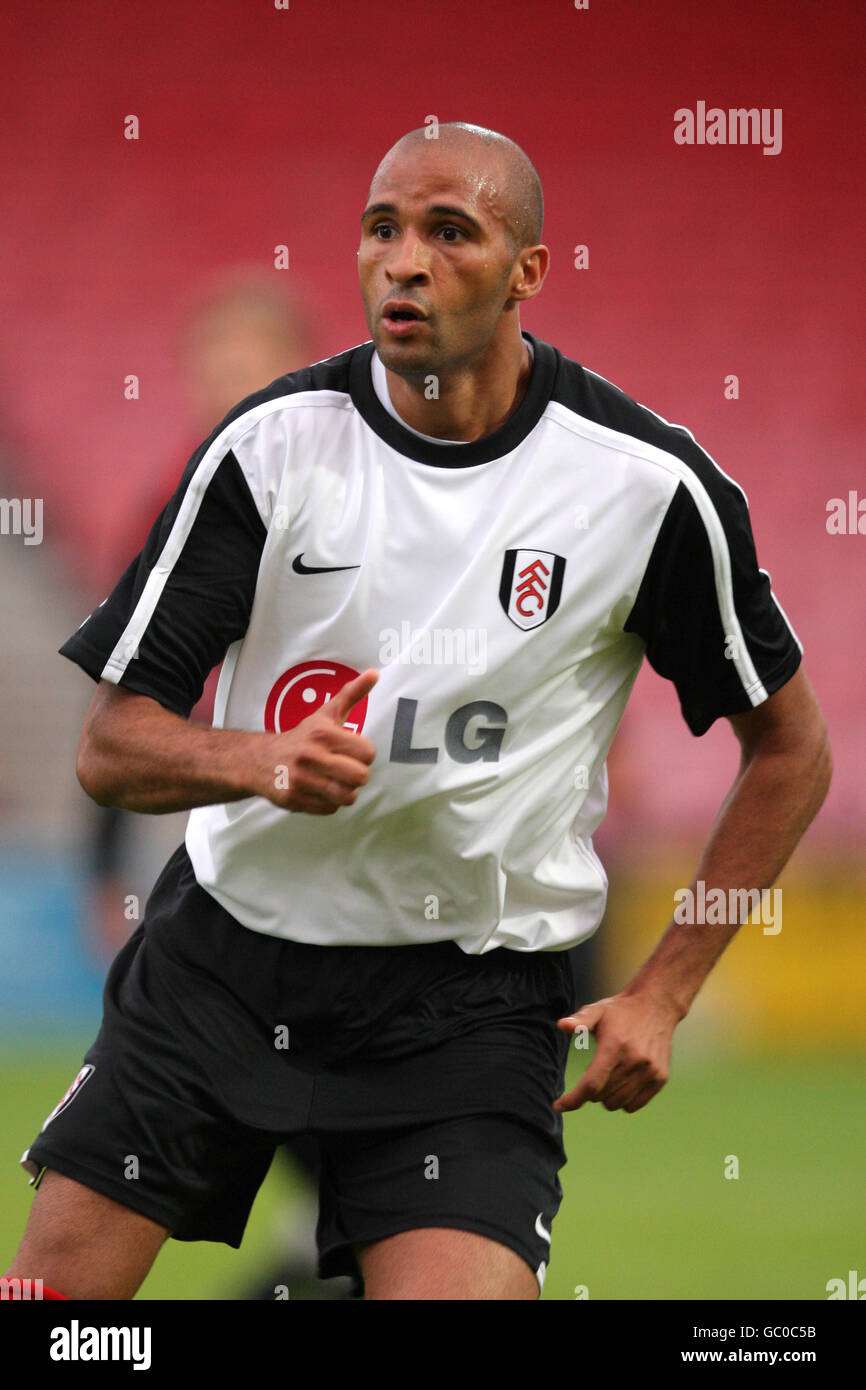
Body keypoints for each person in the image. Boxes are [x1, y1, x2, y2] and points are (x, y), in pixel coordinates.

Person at [4, 122, 831, 1302]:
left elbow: (789, 748)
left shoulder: (646, 489)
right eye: (382, 230)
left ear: (526, 271)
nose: (405, 261)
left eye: (450, 233)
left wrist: (664, 988)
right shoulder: (267, 452)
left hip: (467, 1006)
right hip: (228, 968)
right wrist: (255, 760)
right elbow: (111, 742)